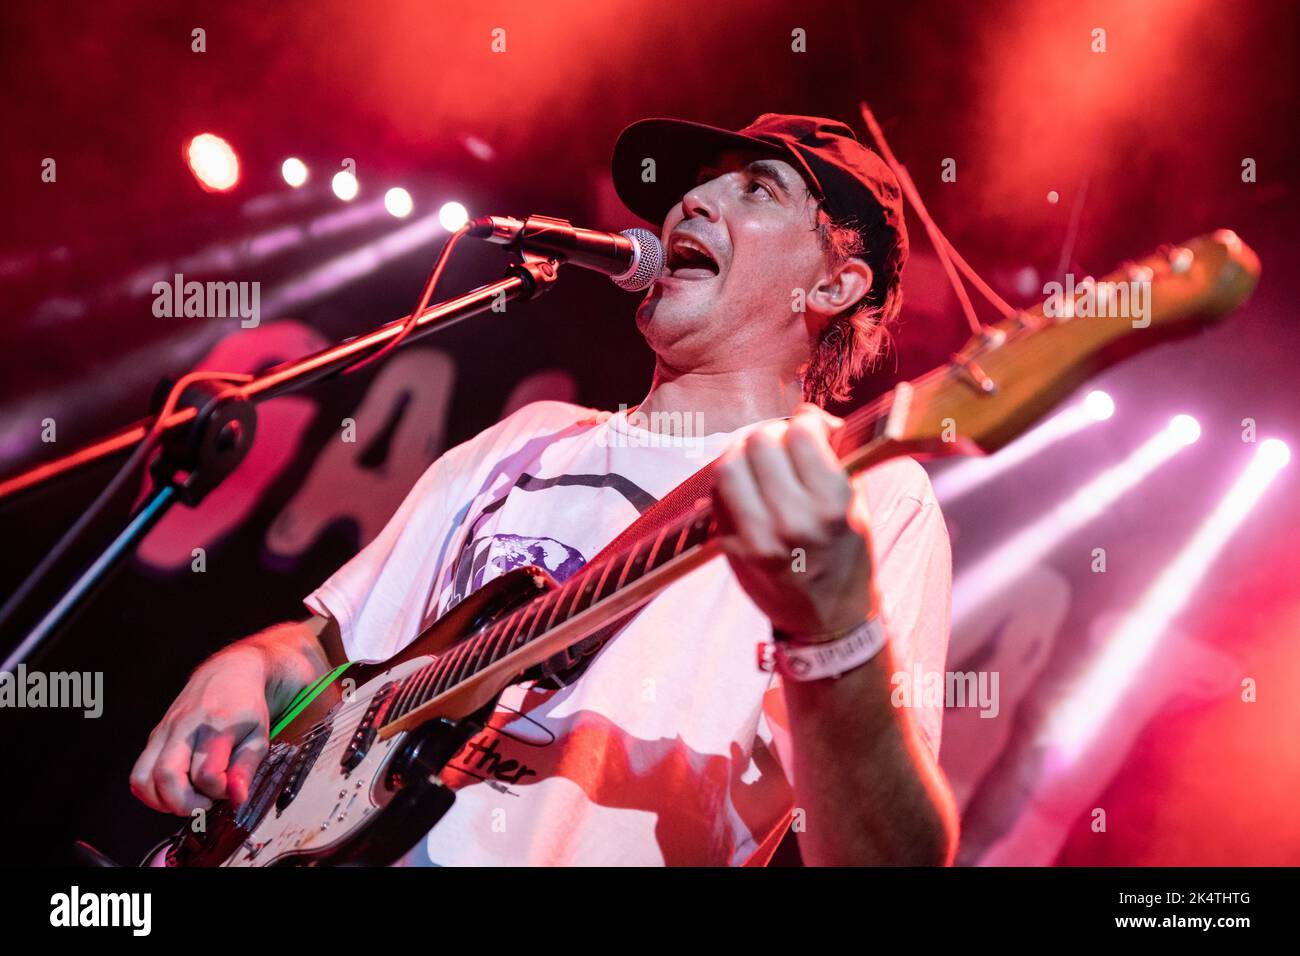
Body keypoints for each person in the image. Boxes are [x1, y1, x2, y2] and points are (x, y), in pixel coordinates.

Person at [131, 114, 959, 866]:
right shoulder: (528, 438)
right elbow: (324, 657)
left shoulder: (862, 490)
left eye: (755, 188)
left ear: (834, 286)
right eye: (695, 183)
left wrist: (833, 630)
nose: (691, 204)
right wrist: (244, 664)